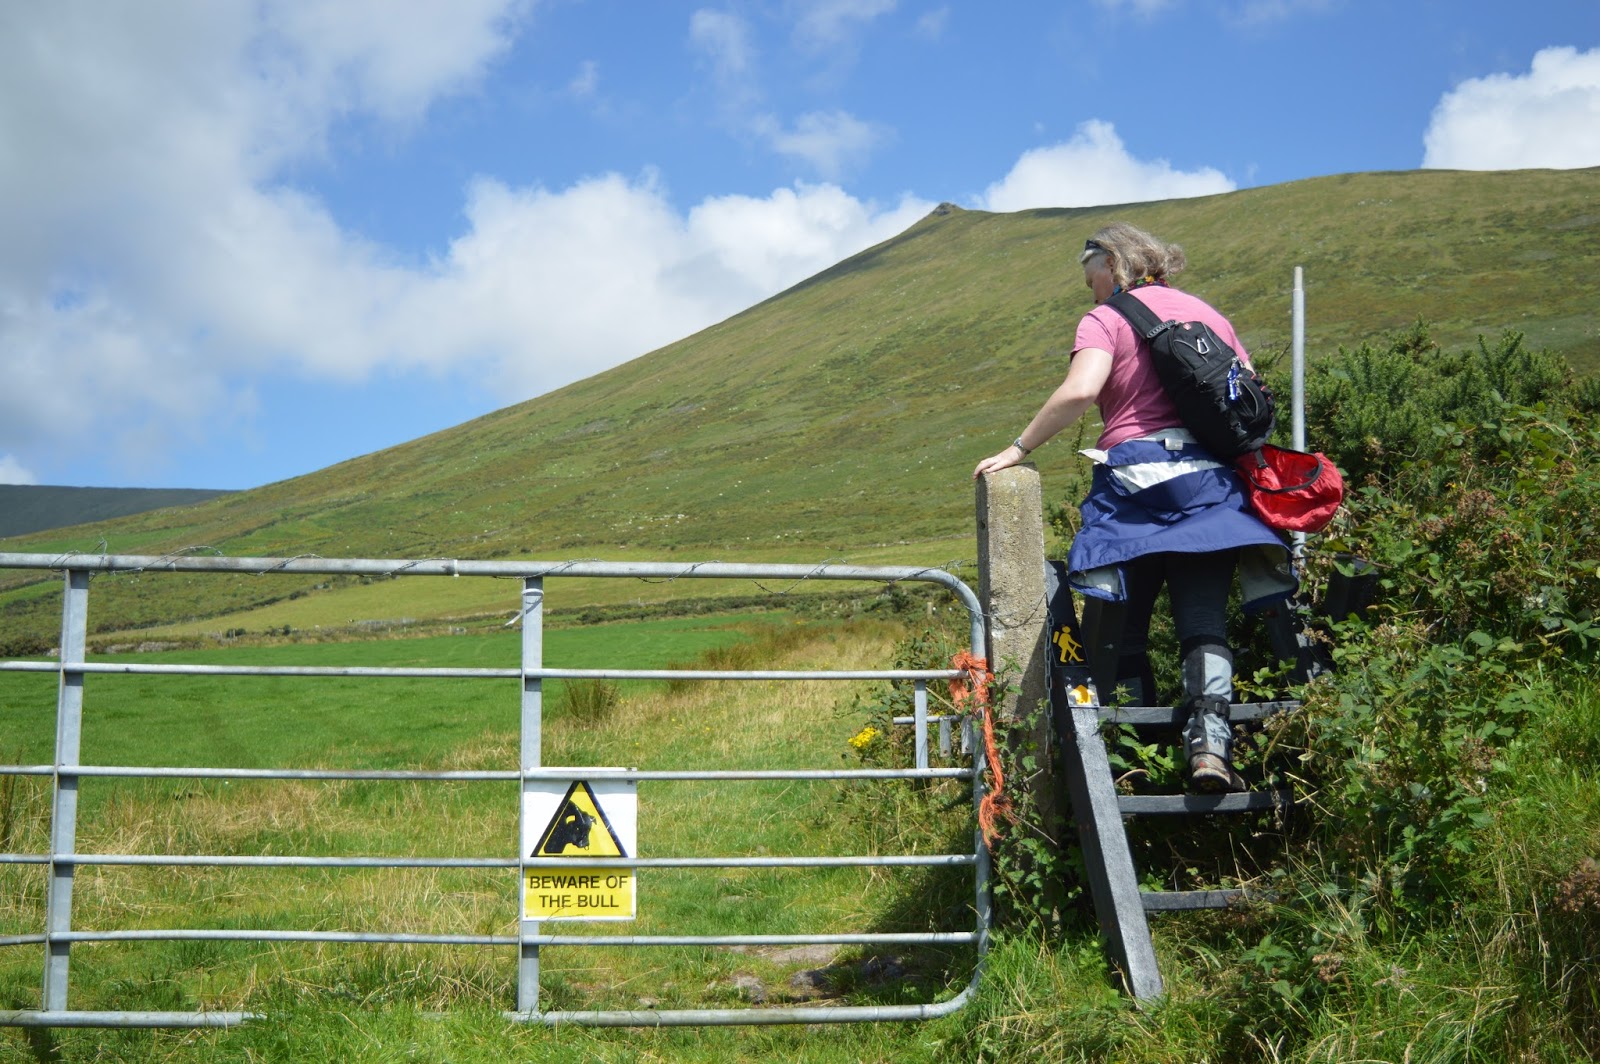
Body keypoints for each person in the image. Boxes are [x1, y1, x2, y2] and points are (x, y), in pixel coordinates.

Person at [973, 222, 1294, 793]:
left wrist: (1018, 449)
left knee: (1122, 627)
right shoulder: (1206, 314)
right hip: (1210, 488)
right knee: (1203, 624)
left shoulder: (1106, 318)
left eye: (1089, 272)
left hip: (1134, 490)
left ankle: (1130, 763)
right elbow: (1248, 395)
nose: (1089, 285)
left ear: (1110, 262)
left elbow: (1081, 390)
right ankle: (1209, 748)